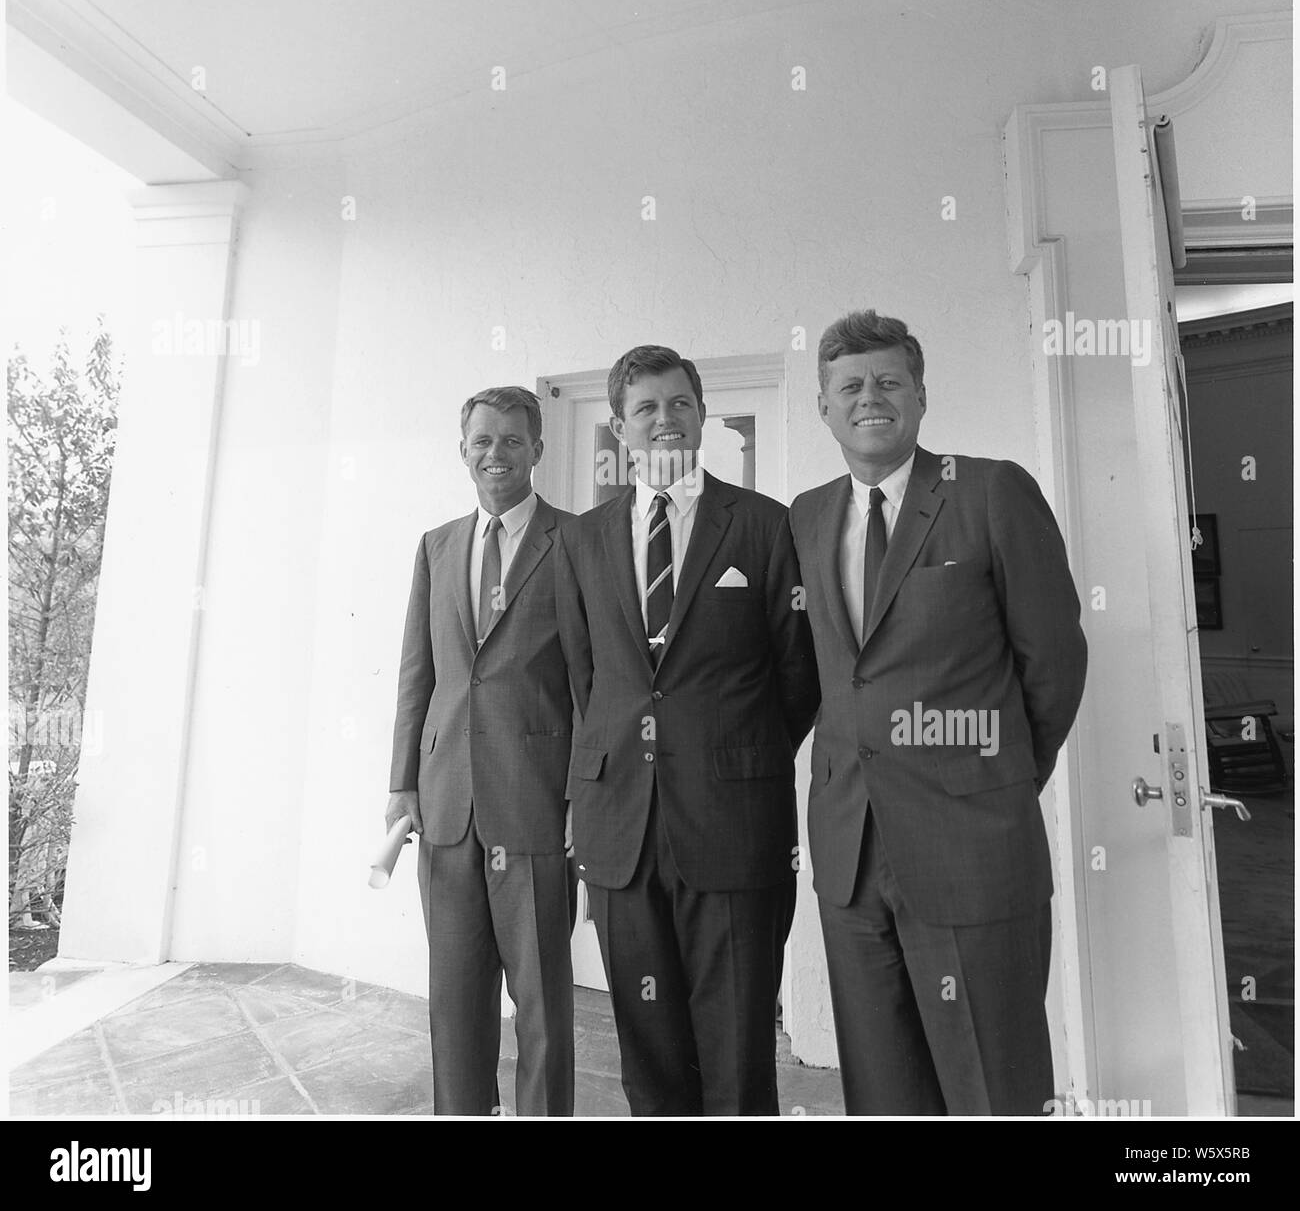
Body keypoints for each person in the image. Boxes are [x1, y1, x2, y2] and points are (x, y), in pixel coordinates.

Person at [788, 310, 1087, 1116]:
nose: (870, 398)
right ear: (824, 407)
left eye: (889, 381)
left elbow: (1053, 665)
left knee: (992, 1085)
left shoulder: (990, 491)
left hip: (973, 849)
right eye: (849, 386)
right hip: (850, 852)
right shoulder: (805, 516)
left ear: (920, 395)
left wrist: (995, 777)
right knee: (883, 1092)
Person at [554, 344, 820, 1116]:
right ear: (619, 427)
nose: (664, 420)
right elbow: (587, 678)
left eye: (678, 404)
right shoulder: (581, 539)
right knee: (650, 1047)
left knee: (739, 1052)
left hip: (736, 826)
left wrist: (736, 757)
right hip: (621, 833)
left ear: (701, 413)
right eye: (646, 408)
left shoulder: (766, 526)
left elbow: (796, 675)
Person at [387, 385, 577, 1115]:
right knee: (454, 995)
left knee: (542, 1003)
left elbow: (590, 680)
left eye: (511, 440)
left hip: (535, 802)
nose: (495, 454)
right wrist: (403, 784)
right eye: (482, 441)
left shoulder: (575, 540)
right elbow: (417, 674)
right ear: (462, 449)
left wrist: (581, 794)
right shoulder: (437, 546)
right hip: (445, 804)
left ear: (538, 448)